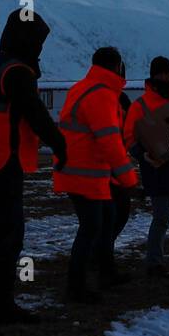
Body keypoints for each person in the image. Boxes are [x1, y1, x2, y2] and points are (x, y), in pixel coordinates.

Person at [0, 8, 66, 335]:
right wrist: (62, 147)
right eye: (37, 42)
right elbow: (37, 116)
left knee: (10, 236)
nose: (39, 49)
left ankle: (3, 305)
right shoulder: (17, 72)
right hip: (3, 162)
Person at [54, 47, 139, 301]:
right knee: (91, 227)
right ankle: (76, 286)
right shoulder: (101, 94)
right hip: (84, 173)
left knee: (106, 220)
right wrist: (128, 177)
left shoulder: (84, 87)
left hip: (83, 170)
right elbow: (109, 140)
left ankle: (106, 272)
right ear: (116, 67)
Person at [124, 55, 169, 278]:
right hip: (156, 168)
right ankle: (154, 262)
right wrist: (143, 154)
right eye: (161, 74)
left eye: (168, 74)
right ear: (152, 76)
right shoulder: (141, 105)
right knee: (162, 216)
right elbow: (129, 137)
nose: (165, 77)